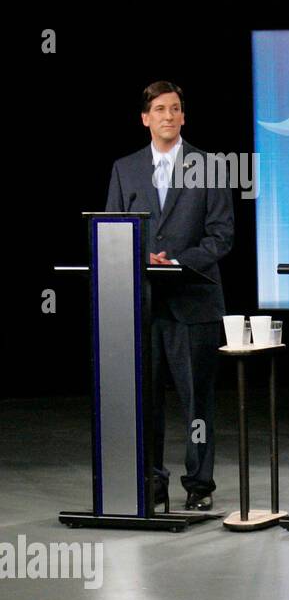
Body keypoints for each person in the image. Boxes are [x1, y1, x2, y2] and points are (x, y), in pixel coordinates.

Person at [105, 81, 234, 511]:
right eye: (159, 109)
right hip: (142, 305)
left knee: (197, 402)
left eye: (175, 109)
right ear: (145, 118)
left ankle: (199, 484)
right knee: (146, 399)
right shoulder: (125, 169)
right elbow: (114, 232)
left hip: (193, 303)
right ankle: (152, 480)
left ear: (183, 117)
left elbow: (221, 236)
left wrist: (175, 261)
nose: (167, 116)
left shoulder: (210, 166)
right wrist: (145, 258)